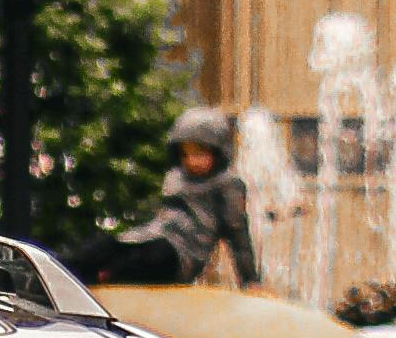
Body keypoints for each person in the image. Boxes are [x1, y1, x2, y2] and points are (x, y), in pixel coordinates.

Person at [81, 110, 263, 293]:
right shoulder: (176, 178)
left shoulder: (227, 183)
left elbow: (237, 232)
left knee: (154, 255)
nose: (192, 161)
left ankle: (108, 276)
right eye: (186, 154)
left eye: (199, 153)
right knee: (108, 246)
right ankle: (67, 269)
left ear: (218, 151)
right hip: (154, 236)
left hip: (182, 254)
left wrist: (250, 280)